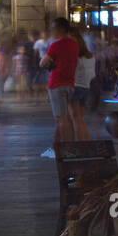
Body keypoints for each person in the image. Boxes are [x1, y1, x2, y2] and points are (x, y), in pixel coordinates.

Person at [40, 17, 80, 148]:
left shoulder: (55, 45)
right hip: (70, 83)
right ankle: (56, 148)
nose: (51, 31)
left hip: (57, 83)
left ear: (60, 30)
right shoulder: (74, 44)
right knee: (64, 118)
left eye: (52, 28)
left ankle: (68, 149)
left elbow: (43, 63)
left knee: (62, 119)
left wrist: (51, 63)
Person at [71, 29, 95, 141]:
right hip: (86, 88)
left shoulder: (75, 57)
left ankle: (82, 145)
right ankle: (87, 142)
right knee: (80, 119)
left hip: (75, 87)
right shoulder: (90, 57)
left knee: (76, 119)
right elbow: (93, 75)